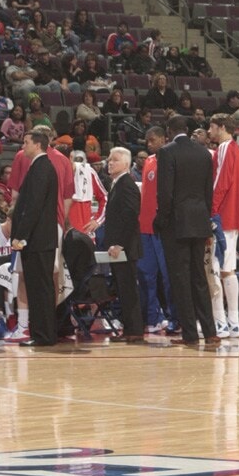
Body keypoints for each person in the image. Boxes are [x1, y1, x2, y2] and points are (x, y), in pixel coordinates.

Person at [154, 115, 219, 347]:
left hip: (177, 223)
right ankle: (211, 332)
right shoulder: (204, 153)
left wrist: (161, 220)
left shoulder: (167, 152)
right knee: (199, 277)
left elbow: (165, 193)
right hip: (199, 220)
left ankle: (190, 333)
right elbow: (208, 192)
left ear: (169, 131)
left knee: (180, 279)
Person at [10, 129, 58, 347]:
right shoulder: (40, 167)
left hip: (37, 240)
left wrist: (21, 236)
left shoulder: (41, 168)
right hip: (39, 240)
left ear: (38, 145)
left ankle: (44, 335)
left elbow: (33, 206)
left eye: (26, 142)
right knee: (39, 288)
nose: (23, 146)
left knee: (41, 289)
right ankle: (41, 334)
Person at [207, 113, 239, 338]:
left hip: (220, 217)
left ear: (221, 127)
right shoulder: (238, 151)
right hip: (233, 217)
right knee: (228, 271)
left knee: (214, 270)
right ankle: (234, 322)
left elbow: (220, 184)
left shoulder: (224, 149)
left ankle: (220, 322)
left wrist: (210, 213)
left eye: (211, 127)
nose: (209, 132)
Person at [103, 146, 144, 342]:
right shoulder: (117, 184)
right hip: (119, 247)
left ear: (126, 164)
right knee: (123, 289)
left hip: (125, 247)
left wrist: (119, 244)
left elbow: (130, 216)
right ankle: (130, 329)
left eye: (115, 160)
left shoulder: (127, 184)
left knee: (128, 290)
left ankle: (134, 330)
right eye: (109, 159)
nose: (110, 163)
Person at [138, 125, 176, 334]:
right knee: (146, 274)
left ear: (164, 138)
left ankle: (174, 317)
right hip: (145, 226)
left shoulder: (172, 160)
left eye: (152, 140)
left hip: (164, 227)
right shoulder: (149, 162)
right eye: (147, 141)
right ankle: (153, 317)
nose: (148, 144)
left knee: (168, 276)